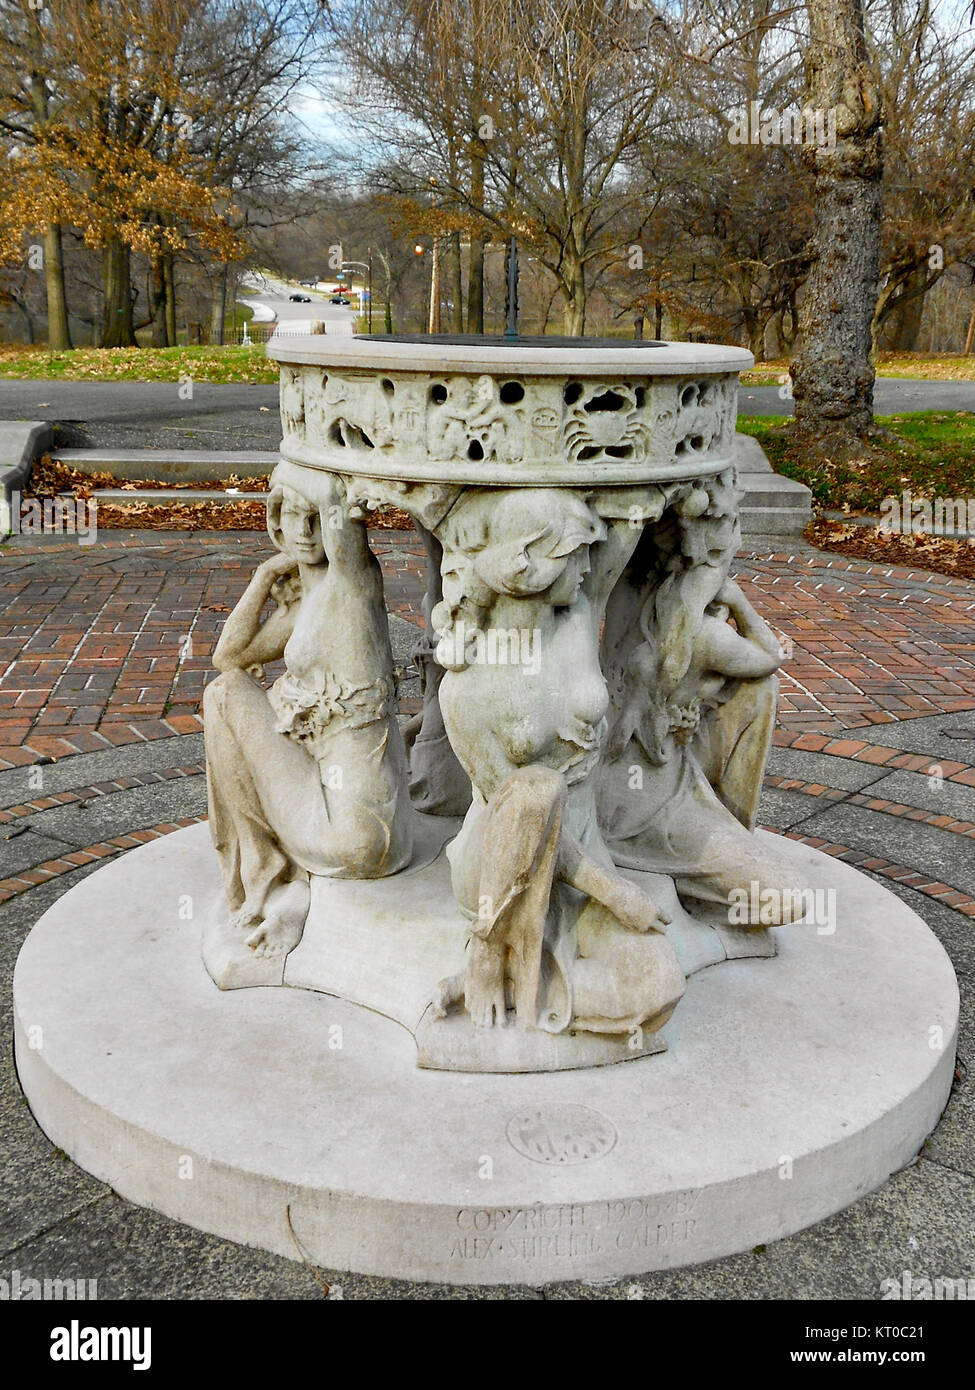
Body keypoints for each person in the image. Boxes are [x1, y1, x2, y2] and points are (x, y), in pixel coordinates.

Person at [204, 475, 413, 958]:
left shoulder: (353, 580)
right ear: (276, 521)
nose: (305, 531)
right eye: (292, 516)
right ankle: (281, 874)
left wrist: (306, 460)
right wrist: (263, 576)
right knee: (225, 688)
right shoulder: (305, 602)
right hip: (371, 826)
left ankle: (273, 873)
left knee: (224, 696)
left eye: (316, 519)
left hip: (353, 837)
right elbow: (228, 657)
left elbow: (333, 494)